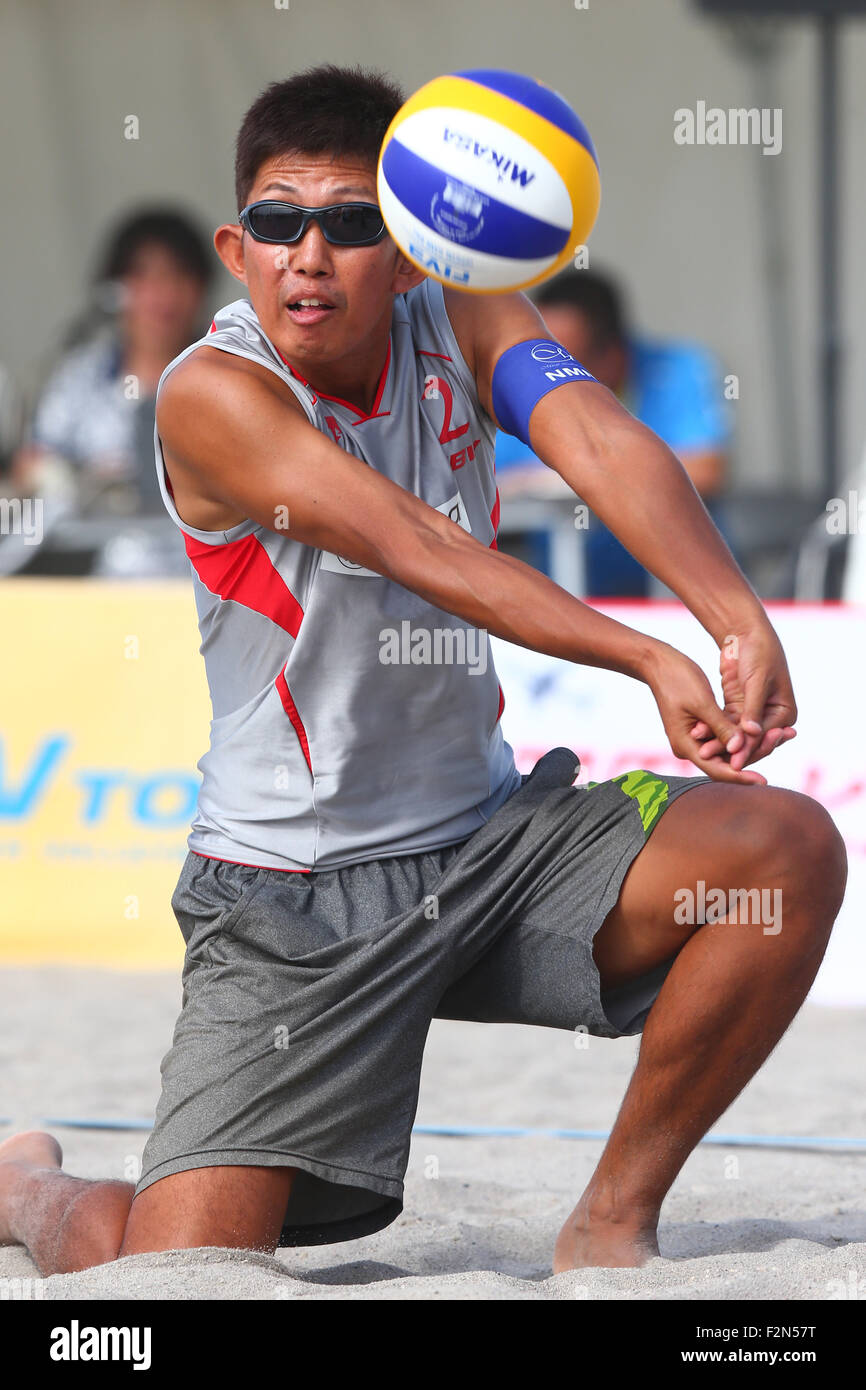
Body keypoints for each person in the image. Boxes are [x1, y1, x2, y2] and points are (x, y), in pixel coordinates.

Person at [0, 64, 846, 1277]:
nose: (310, 253)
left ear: (405, 251)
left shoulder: (464, 309)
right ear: (236, 249)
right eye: (281, 223)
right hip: (289, 900)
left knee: (784, 857)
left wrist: (732, 614)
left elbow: (596, 437)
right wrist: (642, 650)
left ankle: (610, 1219)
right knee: (164, 1263)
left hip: (487, 843)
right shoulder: (211, 395)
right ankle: (25, 1186)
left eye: (349, 224)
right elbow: (420, 545)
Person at [496, 269, 734, 596]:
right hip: (570, 599)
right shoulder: (523, 386)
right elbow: (481, 478)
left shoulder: (676, 369)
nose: (547, 372)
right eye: (538, 357)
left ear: (613, 354)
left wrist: (577, 473)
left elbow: (705, 470)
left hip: (681, 601)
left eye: (565, 359)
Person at [12, 207, 214, 520]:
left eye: (179, 273)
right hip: (93, 562)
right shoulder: (79, 377)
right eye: (144, 275)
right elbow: (31, 464)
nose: (163, 292)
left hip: (202, 561)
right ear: (114, 289)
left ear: (201, 287)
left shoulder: (230, 373)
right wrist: (69, 480)